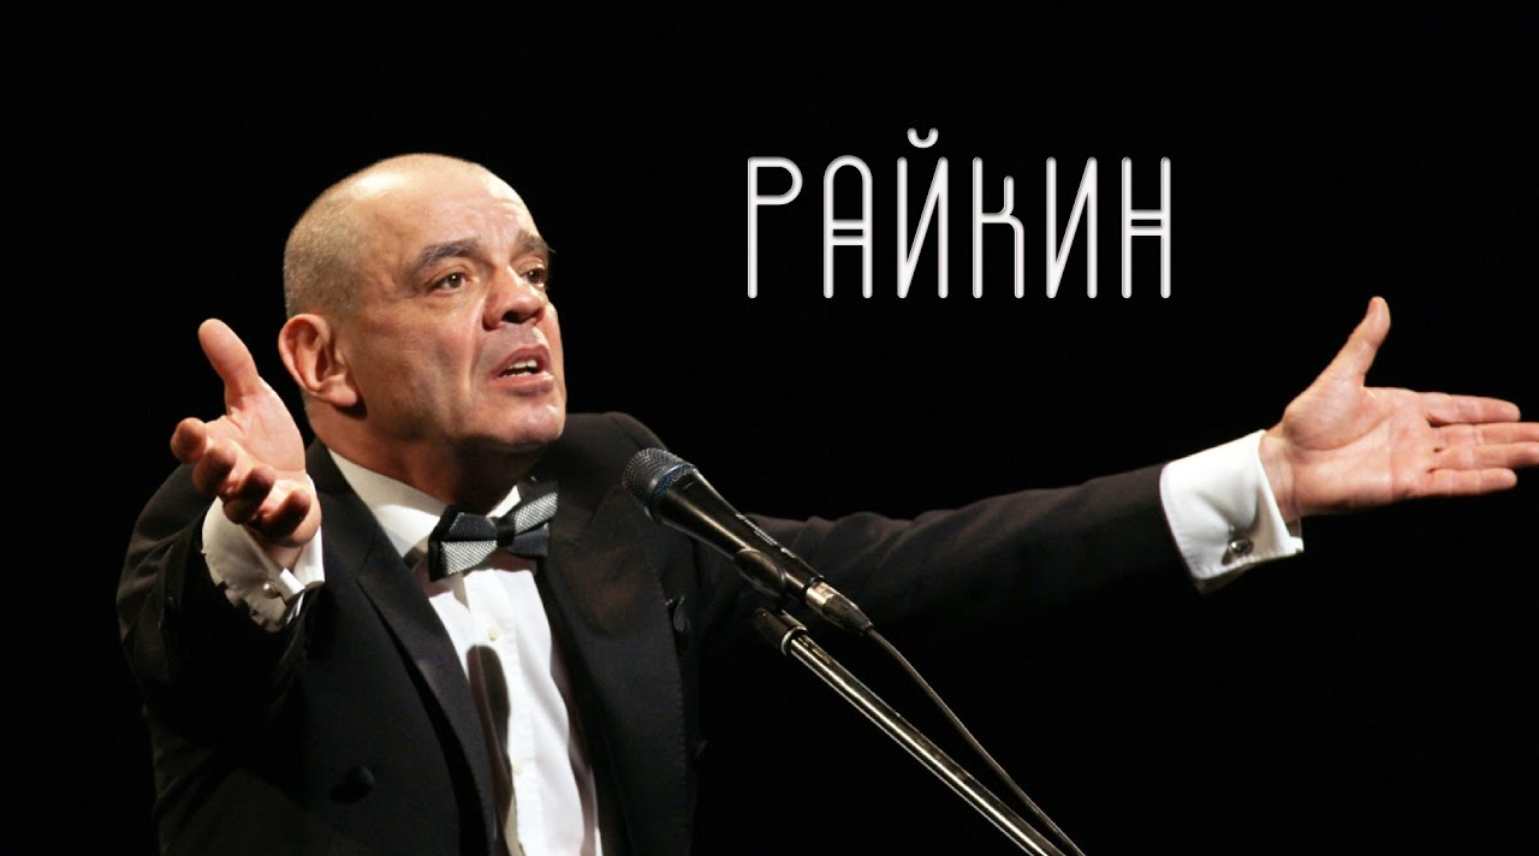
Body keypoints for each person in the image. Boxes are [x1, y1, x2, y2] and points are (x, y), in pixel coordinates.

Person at [118, 154, 1539, 856]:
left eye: (534, 273)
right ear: (321, 363)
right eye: (452, 279)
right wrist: (266, 537)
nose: (521, 306)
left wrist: (1261, 476)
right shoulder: (218, 530)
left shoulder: (612, 484)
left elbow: (923, 572)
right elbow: (212, 642)